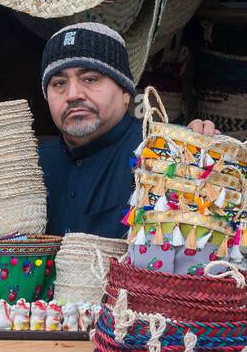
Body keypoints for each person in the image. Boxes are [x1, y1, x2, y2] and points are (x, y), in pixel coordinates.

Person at [38, 22, 212, 238]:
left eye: (90, 79)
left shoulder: (167, 154)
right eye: (59, 83)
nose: (73, 94)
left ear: (125, 93)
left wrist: (208, 157)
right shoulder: (33, 167)